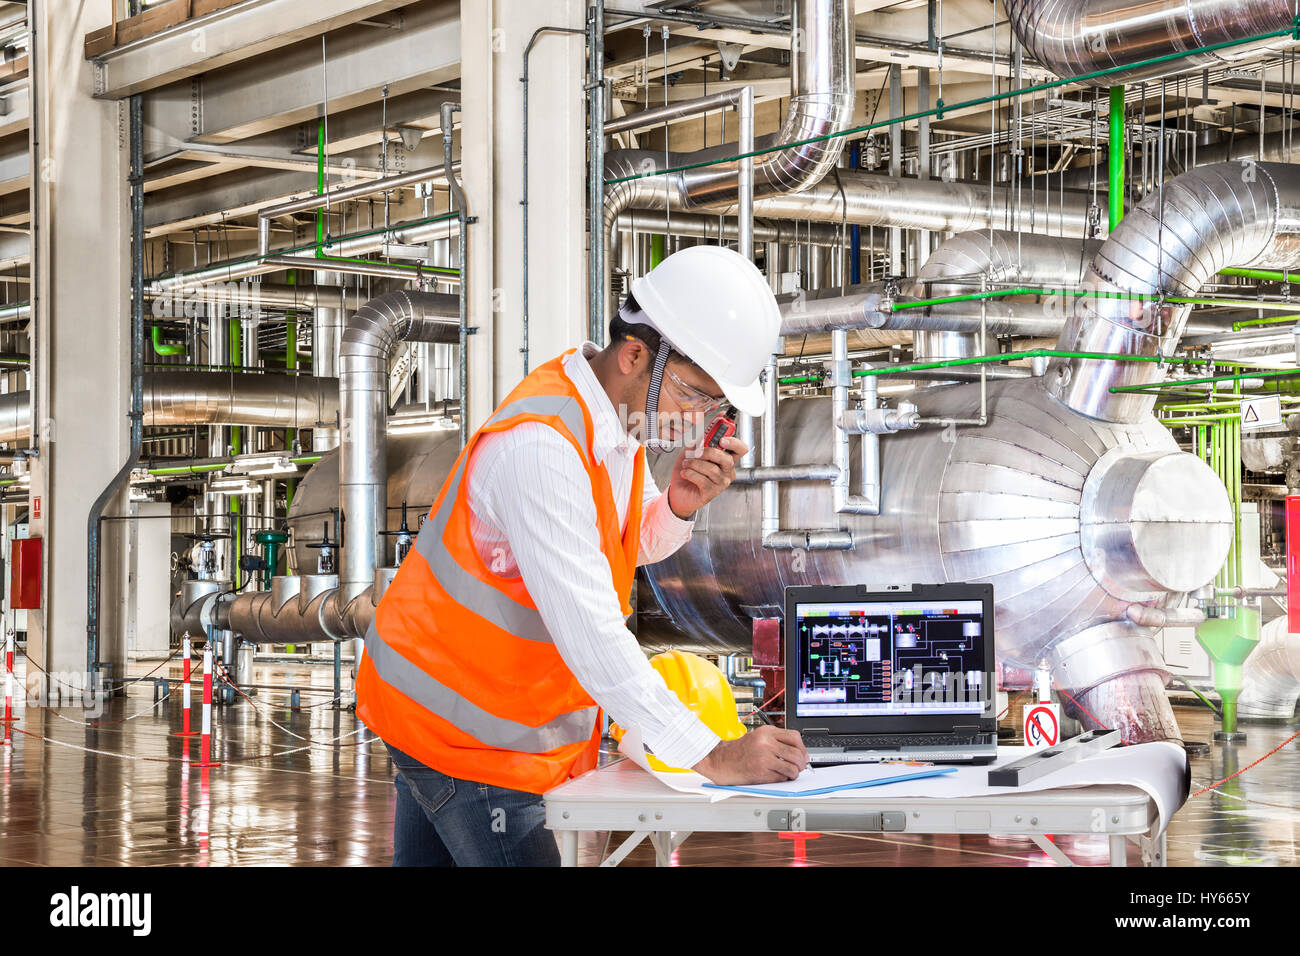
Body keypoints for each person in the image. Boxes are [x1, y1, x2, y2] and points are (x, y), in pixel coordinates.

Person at [356, 245, 810, 866]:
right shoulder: (544, 449)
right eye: (697, 396)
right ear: (635, 356)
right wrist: (710, 752)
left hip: (450, 714)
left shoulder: (614, 425)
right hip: (474, 735)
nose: (704, 419)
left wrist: (678, 502)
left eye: (716, 407)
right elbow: (592, 630)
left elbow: (626, 544)